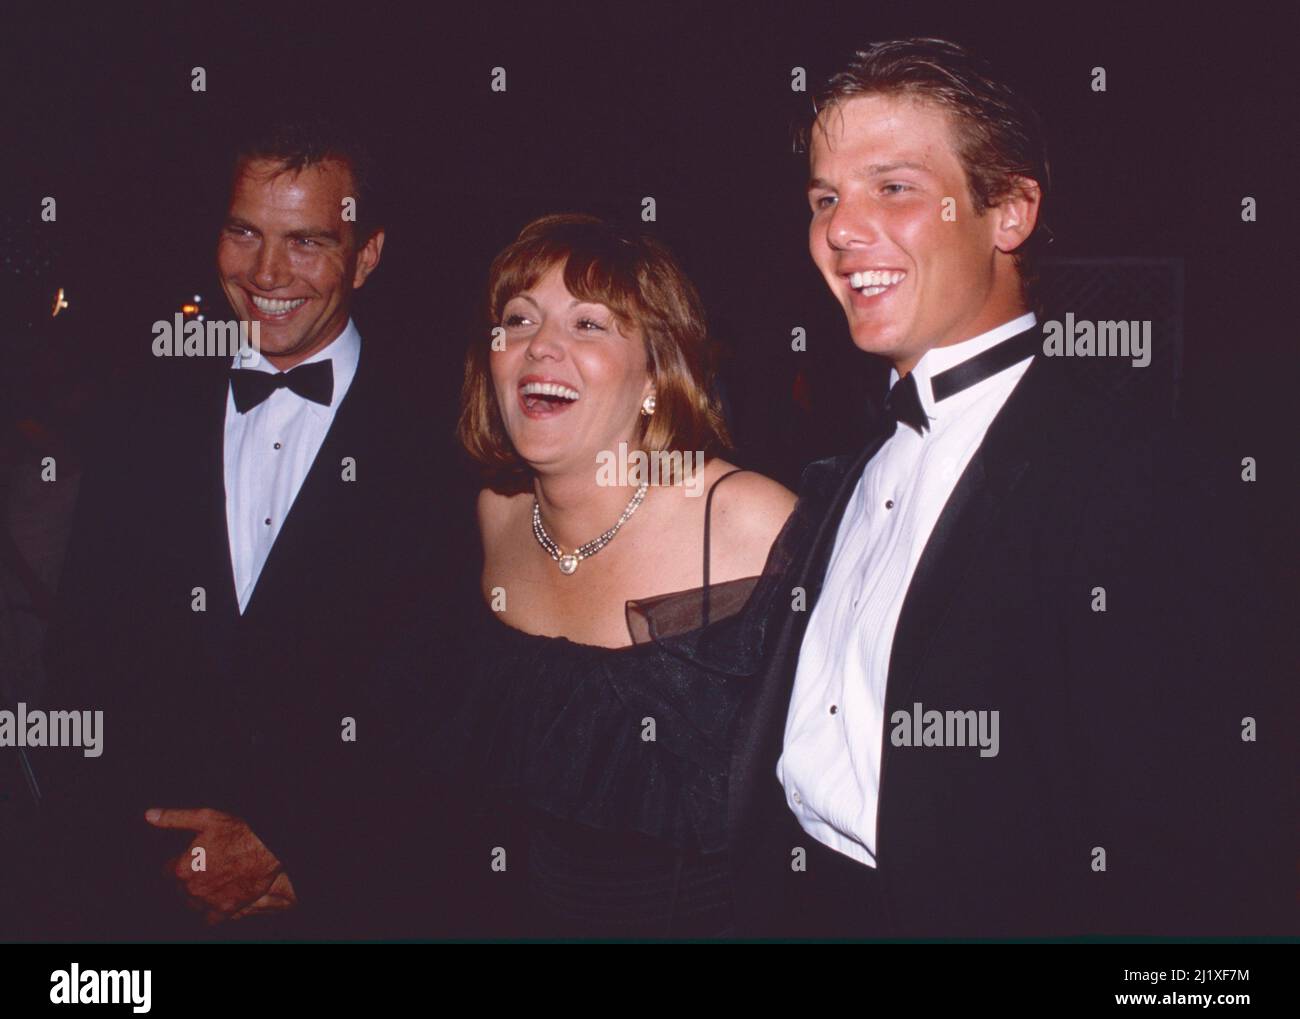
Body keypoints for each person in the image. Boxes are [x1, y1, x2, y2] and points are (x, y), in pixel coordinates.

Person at [728, 39, 1268, 937]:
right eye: (825, 197)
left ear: (1009, 212)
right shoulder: (846, 466)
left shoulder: (1139, 476)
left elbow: (1187, 848)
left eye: (892, 186)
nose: (840, 229)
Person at [42, 117, 465, 939]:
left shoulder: (448, 444)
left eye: (307, 241)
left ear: (366, 254)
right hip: (147, 902)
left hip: (346, 900)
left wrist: (299, 848)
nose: (267, 272)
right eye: (245, 232)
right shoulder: (138, 411)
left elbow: (451, 704)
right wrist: (141, 861)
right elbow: (83, 655)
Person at [430, 213, 797, 936]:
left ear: (657, 372)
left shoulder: (745, 520)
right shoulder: (496, 516)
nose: (540, 346)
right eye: (518, 319)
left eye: (589, 324)